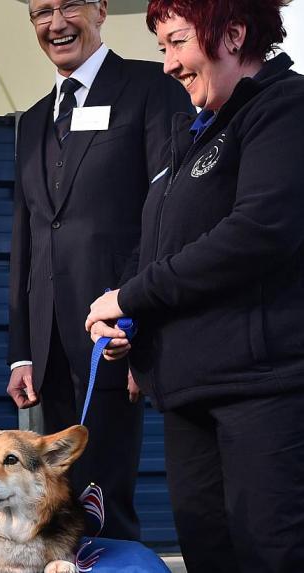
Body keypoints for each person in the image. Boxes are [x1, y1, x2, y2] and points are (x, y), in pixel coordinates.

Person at [84, 0, 304, 569]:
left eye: (177, 42)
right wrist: (136, 327)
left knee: (270, 552)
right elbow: (164, 248)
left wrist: (131, 295)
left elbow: (258, 232)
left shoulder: (286, 107)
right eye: (162, 47)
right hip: (188, 392)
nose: (167, 64)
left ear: (232, 35)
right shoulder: (194, 134)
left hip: (262, 389)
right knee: (207, 551)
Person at [7, 0, 192, 540]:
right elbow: (29, 236)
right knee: (58, 502)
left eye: (69, 6)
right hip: (49, 344)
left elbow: (165, 212)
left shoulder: (149, 87)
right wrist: (22, 350)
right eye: (42, 11)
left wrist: (138, 314)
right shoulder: (35, 118)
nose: (56, 23)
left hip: (113, 330)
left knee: (106, 496)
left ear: (102, 10)